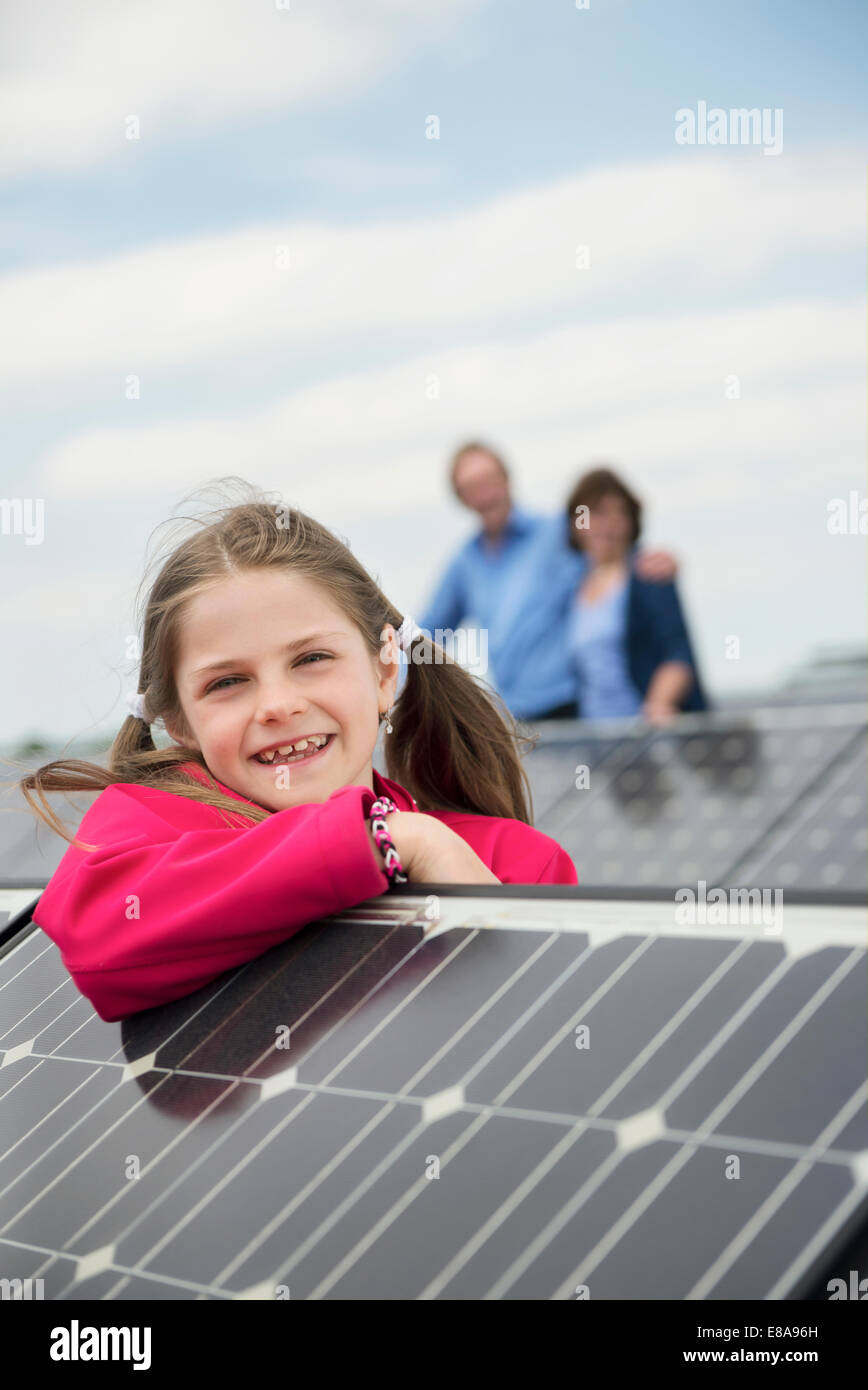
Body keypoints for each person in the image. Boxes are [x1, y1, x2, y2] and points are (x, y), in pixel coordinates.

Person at [19, 481, 577, 1023]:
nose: (278, 706)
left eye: (311, 659)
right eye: (227, 682)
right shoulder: (150, 828)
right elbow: (101, 935)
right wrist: (388, 841)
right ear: (179, 723)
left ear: (385, 670)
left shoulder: (513, 862)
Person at [418, 441, 679, 721]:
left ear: (506, 479)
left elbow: (610, 556)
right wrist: (386, 661)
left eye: (489, 481)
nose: (484, 494)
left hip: (572, 707)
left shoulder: (555, 533)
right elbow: (430, 632)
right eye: (472, 487)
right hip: (515, 715)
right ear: (461, 498)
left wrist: (652, 560)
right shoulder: (465, 564)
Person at [564, 467, 707, 722]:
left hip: (644, 737)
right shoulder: (573, 587)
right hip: (594, 740)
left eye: (619, 513)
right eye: (596, 513)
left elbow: (677, 653)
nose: (608, 525)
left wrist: (659, 705)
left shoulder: (649, 575)